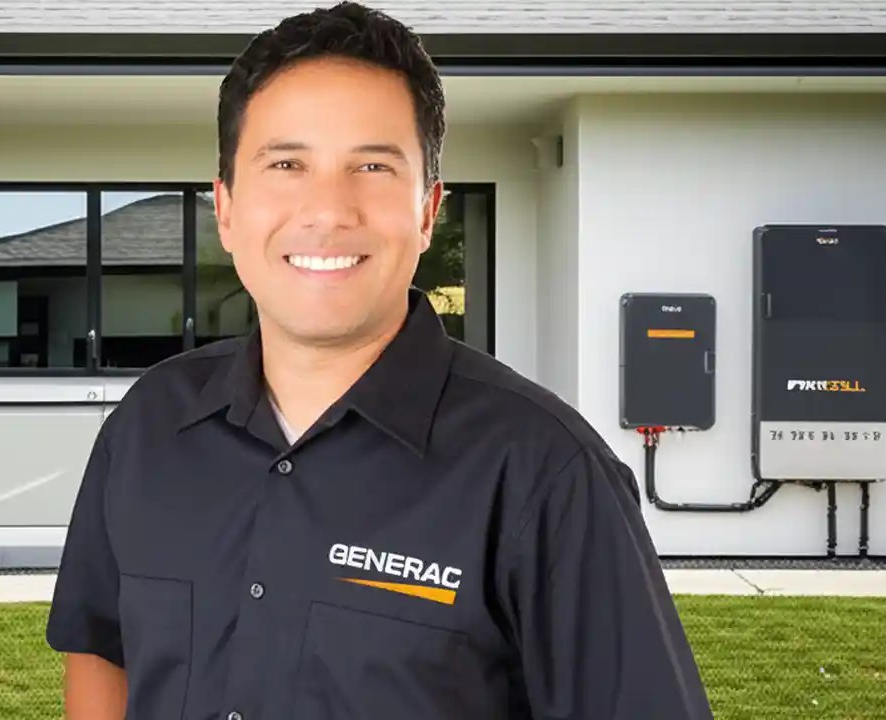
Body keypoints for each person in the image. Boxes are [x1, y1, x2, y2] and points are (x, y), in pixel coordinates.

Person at [45, 3, 714, 718]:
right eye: (287, 164)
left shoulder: (546, 472)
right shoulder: (148, 426)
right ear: (227, 208)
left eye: (372, 165)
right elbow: (101, 649)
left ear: (427, 212)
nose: (329, 210)